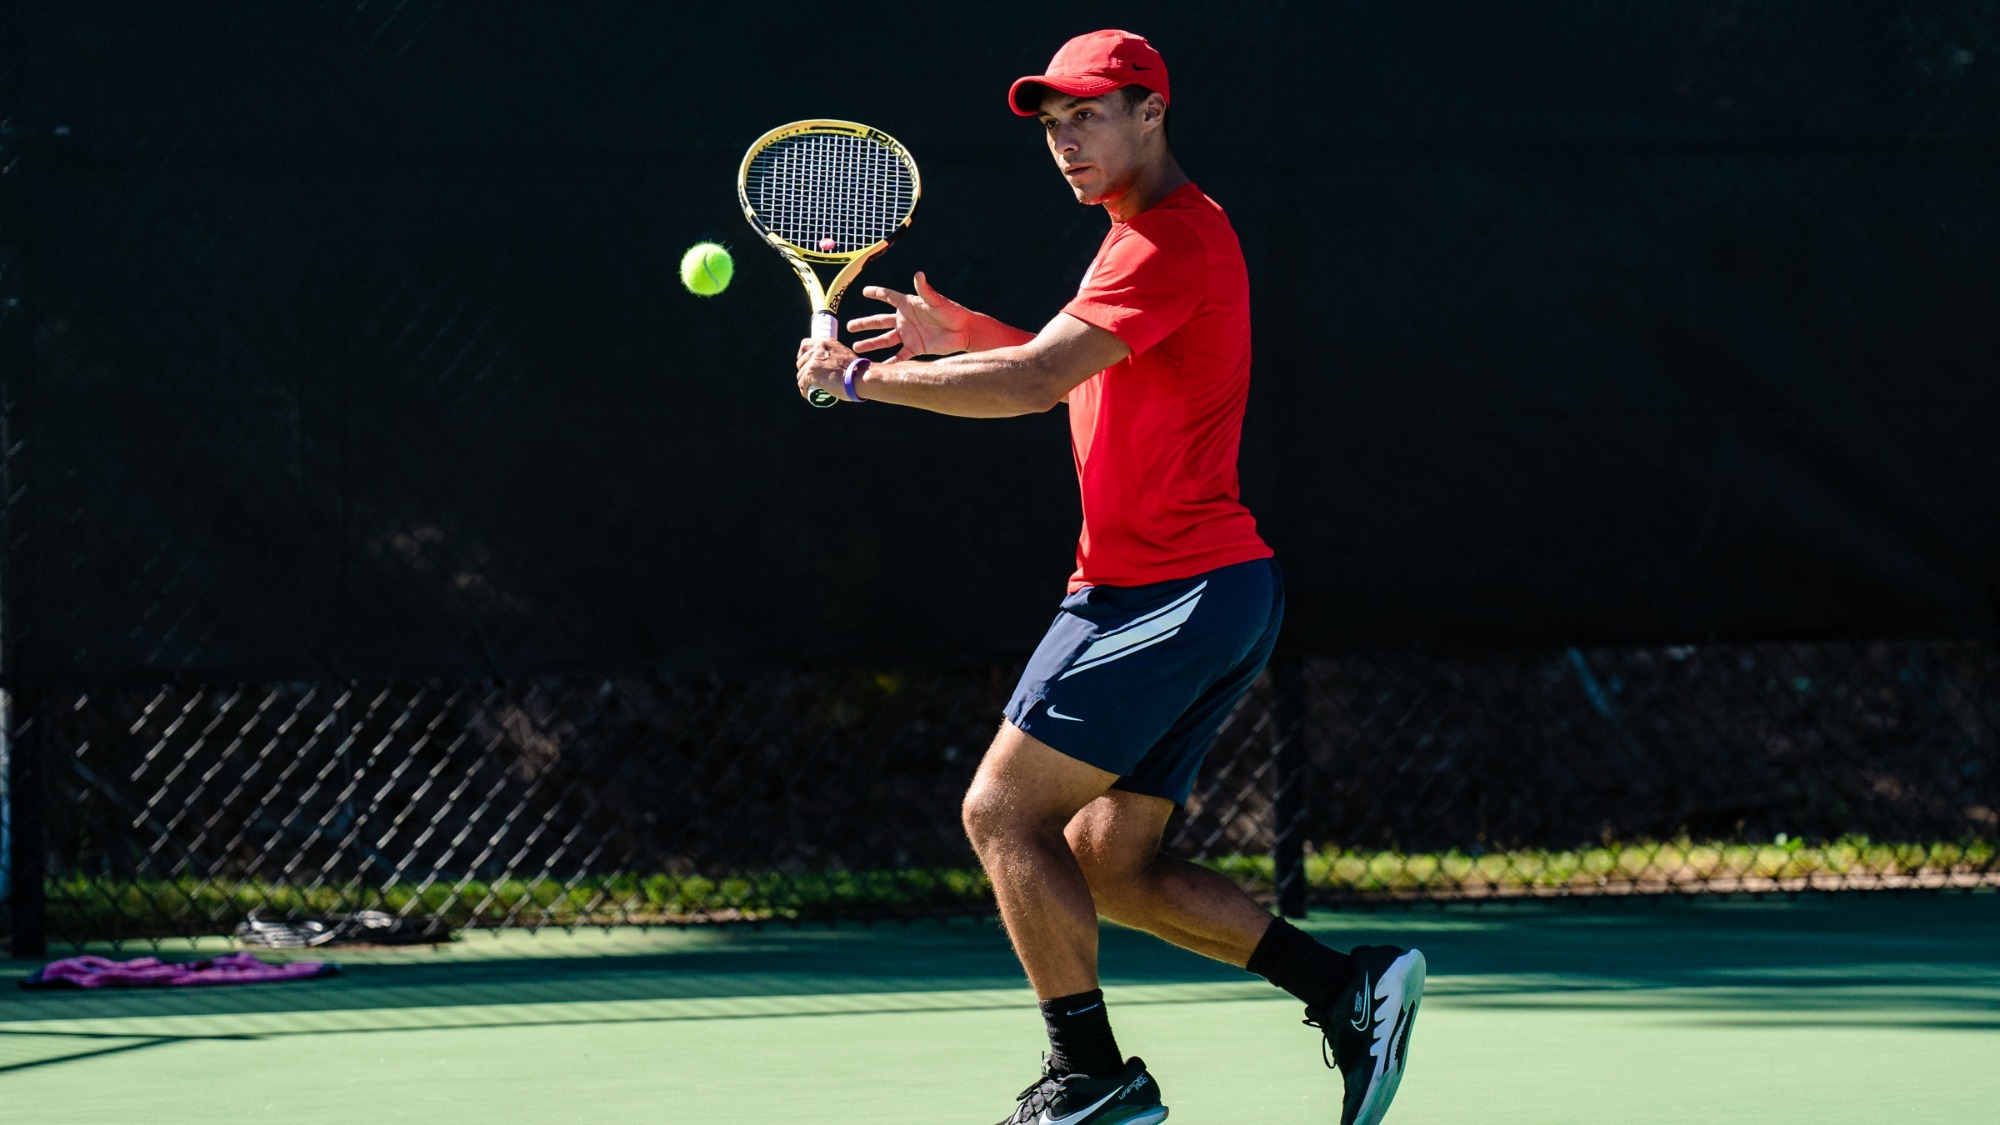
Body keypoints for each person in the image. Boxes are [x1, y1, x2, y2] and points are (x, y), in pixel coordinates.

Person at [793, 28, 1424, 1125]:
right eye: (1050, 123)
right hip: (1205, 594)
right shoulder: (1147, 237)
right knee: (1104, 864)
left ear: (1151, 111)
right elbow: (1082, 376)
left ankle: (1089, 1079)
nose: (1064, 141)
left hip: (1166, 594)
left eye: (1086, 115)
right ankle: (1346, 989)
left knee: (1000, 814)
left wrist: (858, 378)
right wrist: (965, 336)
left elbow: (1038, 383)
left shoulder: (1165, 239)